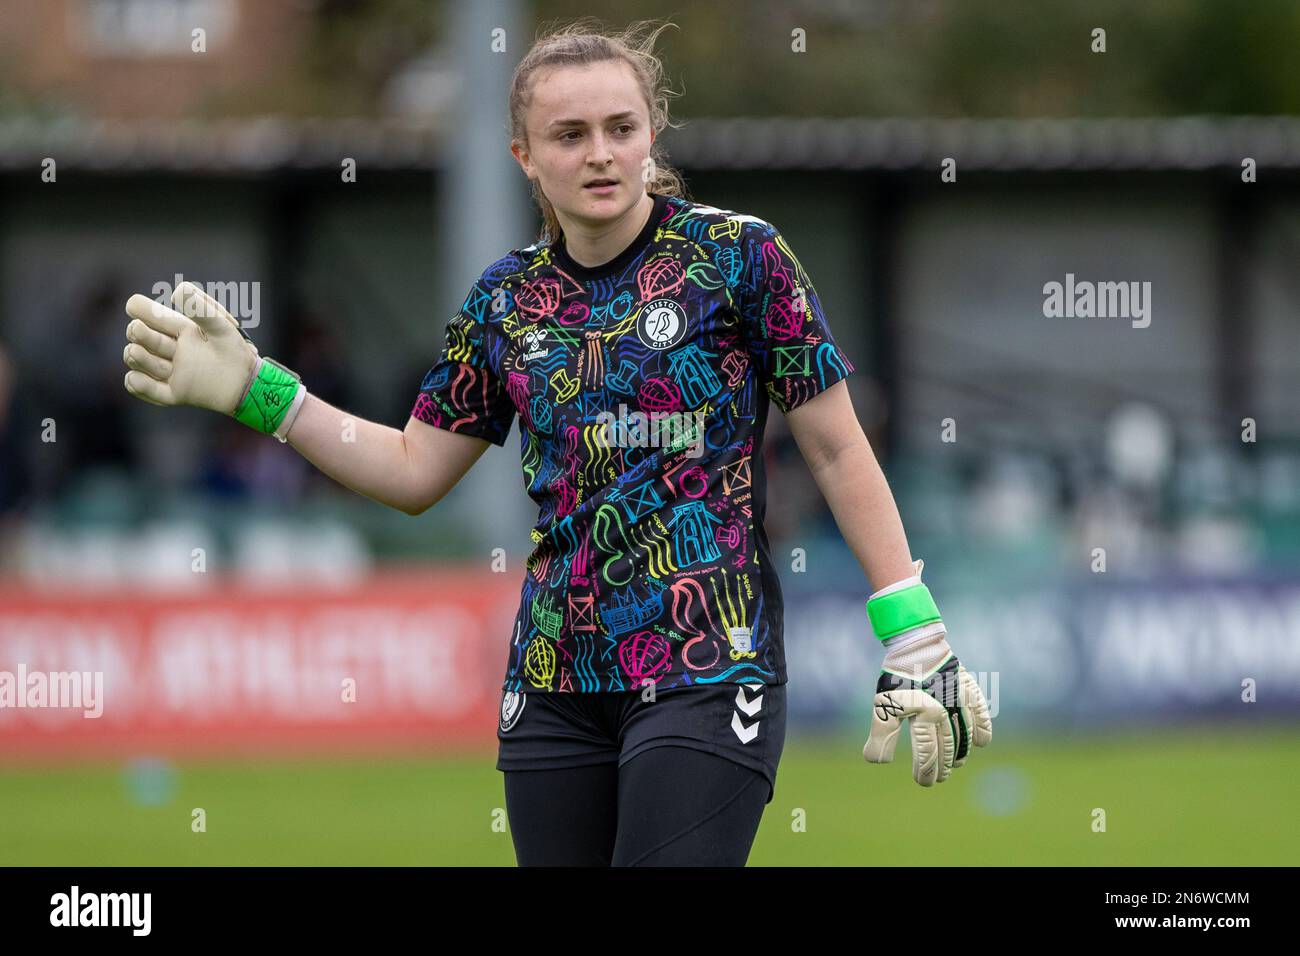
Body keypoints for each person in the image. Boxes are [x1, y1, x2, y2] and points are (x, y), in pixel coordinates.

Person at [120, 18, 991, 867]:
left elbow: (837, 447)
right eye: (569, 135)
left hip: (708, 664)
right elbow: (413, 469)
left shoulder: (740, 257)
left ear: (652, 135)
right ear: (524, 157)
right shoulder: (503, 301)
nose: (601, 153)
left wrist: (909, 625)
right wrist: (259, 393)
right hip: (551, 677)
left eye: (621, 128)